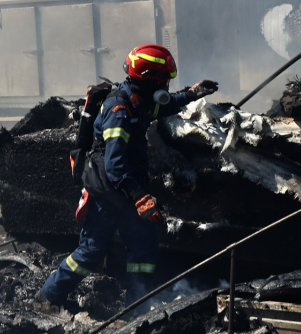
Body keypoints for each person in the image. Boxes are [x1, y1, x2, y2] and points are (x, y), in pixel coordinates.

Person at [37, 44, 218, 309]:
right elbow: (115, 166)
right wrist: (140, 197)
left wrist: (191, 94)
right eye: (163, 82)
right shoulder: (118, 112)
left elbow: (163, 107)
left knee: (143, 250)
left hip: (126, 191)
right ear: (149, 80)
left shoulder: (139, 102)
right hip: (107, 194)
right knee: (90, 253)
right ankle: (48, 297)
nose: (166, 88)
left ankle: (138, 308)